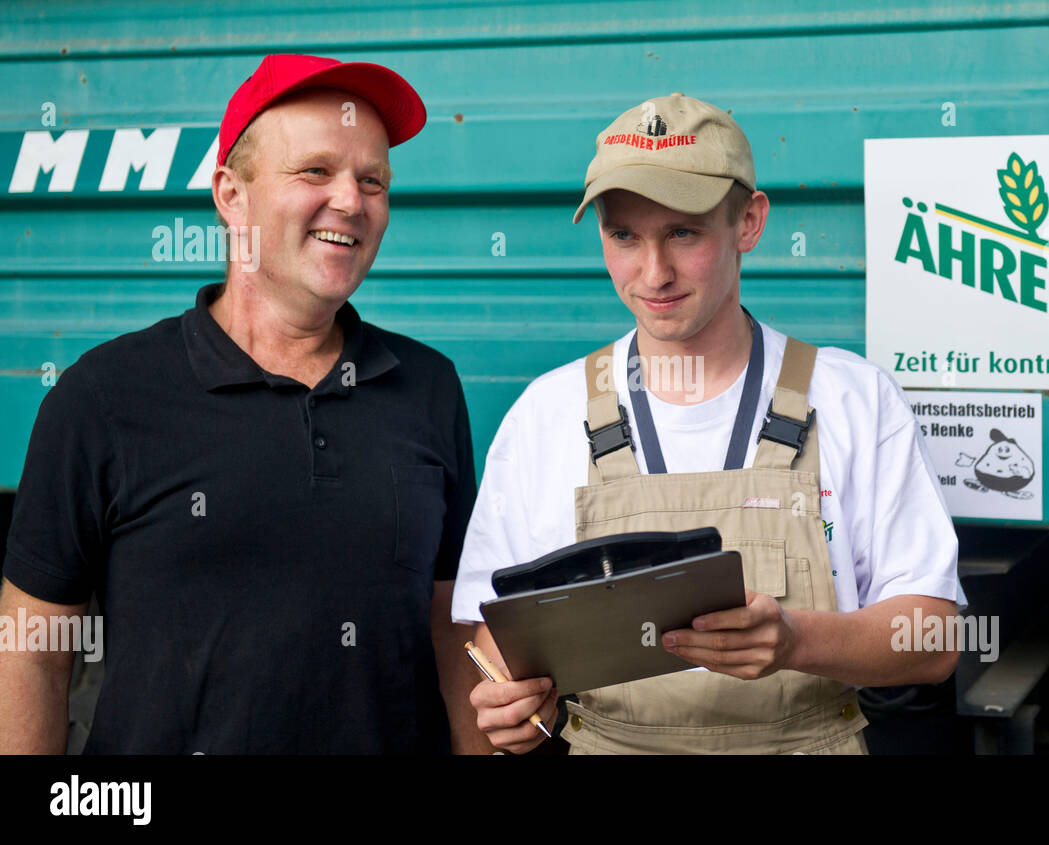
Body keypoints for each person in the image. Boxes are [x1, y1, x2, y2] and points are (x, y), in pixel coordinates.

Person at [0, 54, 489, 754]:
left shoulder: (428, 386)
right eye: (316, 171)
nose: (352, 201)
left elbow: (452, 625)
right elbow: (34, 650)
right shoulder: (103, 396)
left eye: (372, 179)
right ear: (231, 195)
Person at [451, 92, 968, 754]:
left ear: (748, 222)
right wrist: (514, 709)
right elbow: (494, 644)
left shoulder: (855, 400)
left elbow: (934, 639)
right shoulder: (546, 416)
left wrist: (797, 638)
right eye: (624, 237)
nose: (653, 272)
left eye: (683, 233)